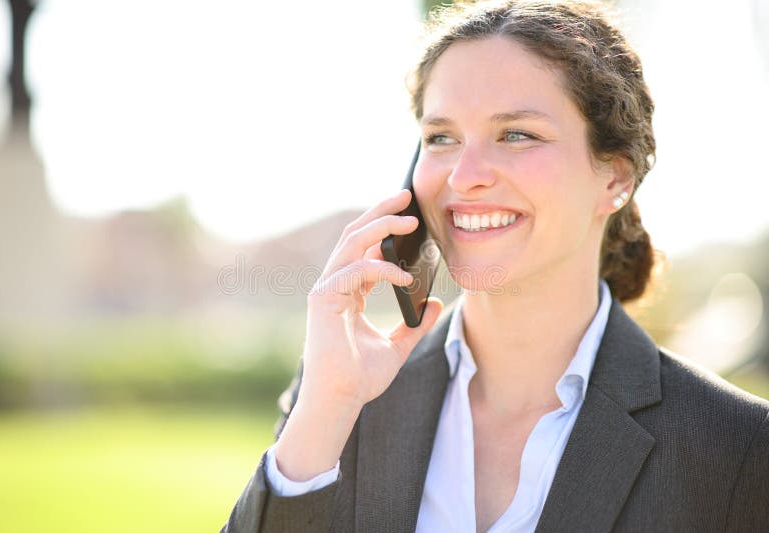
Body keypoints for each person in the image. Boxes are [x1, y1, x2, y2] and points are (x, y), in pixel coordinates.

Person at [222, 1, 769, 531]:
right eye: (441, 138)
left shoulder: (738, 447)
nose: (464, 176)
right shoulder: (339, 399)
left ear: (615, 178)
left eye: (517, 134)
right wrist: (323, 416)